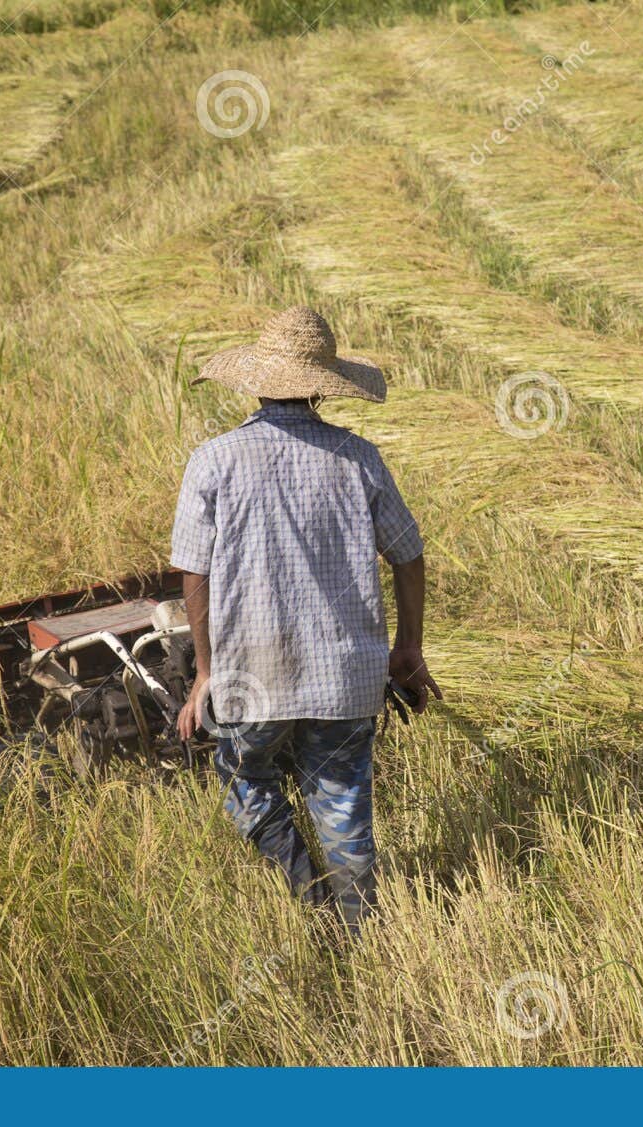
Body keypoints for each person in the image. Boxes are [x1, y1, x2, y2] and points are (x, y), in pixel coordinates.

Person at [169, 305, 441, 934]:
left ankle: (308, 894)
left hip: (252, 674)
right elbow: (409, 552)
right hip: (347, 678)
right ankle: (359, 932)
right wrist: (409, 647)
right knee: (343, 800)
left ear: (258, 381)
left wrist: (206, 672)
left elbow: (194, 573)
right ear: (323, 385)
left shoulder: (214, 460)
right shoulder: (359, 458)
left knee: (243, 775)